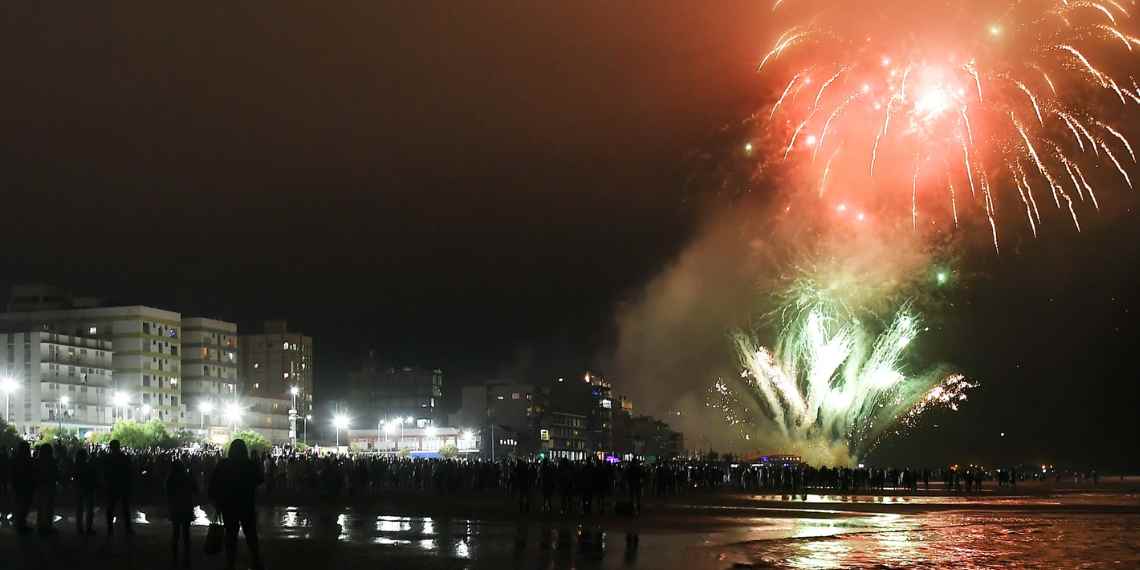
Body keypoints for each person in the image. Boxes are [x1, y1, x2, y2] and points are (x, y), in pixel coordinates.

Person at [209, 439, 264, 570]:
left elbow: (213, 485)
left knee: (230, 536)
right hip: (246, 505)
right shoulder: (249, 465)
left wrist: (218, 502)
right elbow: (260, 479)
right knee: (251, 536)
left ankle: (230, 563)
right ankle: (255, 562)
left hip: (228, 506)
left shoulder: (223, 464)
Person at [167, 458, 197, 568]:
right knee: (186, 533)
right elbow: (196, 489)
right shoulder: (187, 477)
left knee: (175, 533)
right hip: (186, 507)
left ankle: (174, 557)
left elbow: (168, 493)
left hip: (175, 508)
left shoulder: (171, 478)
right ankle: (187, 557)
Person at [105, 439, 134, 535]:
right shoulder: (124, 457)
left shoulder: (108, 458)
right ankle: (128, 528)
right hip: (122, 485)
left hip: (112, 486)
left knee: (111, 507)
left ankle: (110, 528)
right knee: (125, 508)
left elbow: (105, 473)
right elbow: (129, 471)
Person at [34, 443, 59, 534]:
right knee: (48, 508)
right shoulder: (52, 461)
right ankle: (47, 526)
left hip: (40, 487)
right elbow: (56, 474)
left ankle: (40, 526)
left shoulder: (37, 461)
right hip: (49, 487)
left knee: (41, 508)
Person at [10, 440, 34, 534]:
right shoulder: (27, 460)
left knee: (20, 506)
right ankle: (21, 525)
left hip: (19, 486)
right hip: (25, 486)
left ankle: (20, 525)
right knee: (23, 506)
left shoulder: (15, 459)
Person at [73, 448, 97, 535]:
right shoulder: (88, 465)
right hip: (88, 489)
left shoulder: (75, 466)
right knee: (89, 509)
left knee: (79, 509)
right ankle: (88, 528)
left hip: (78, 488)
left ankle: (79, 528)